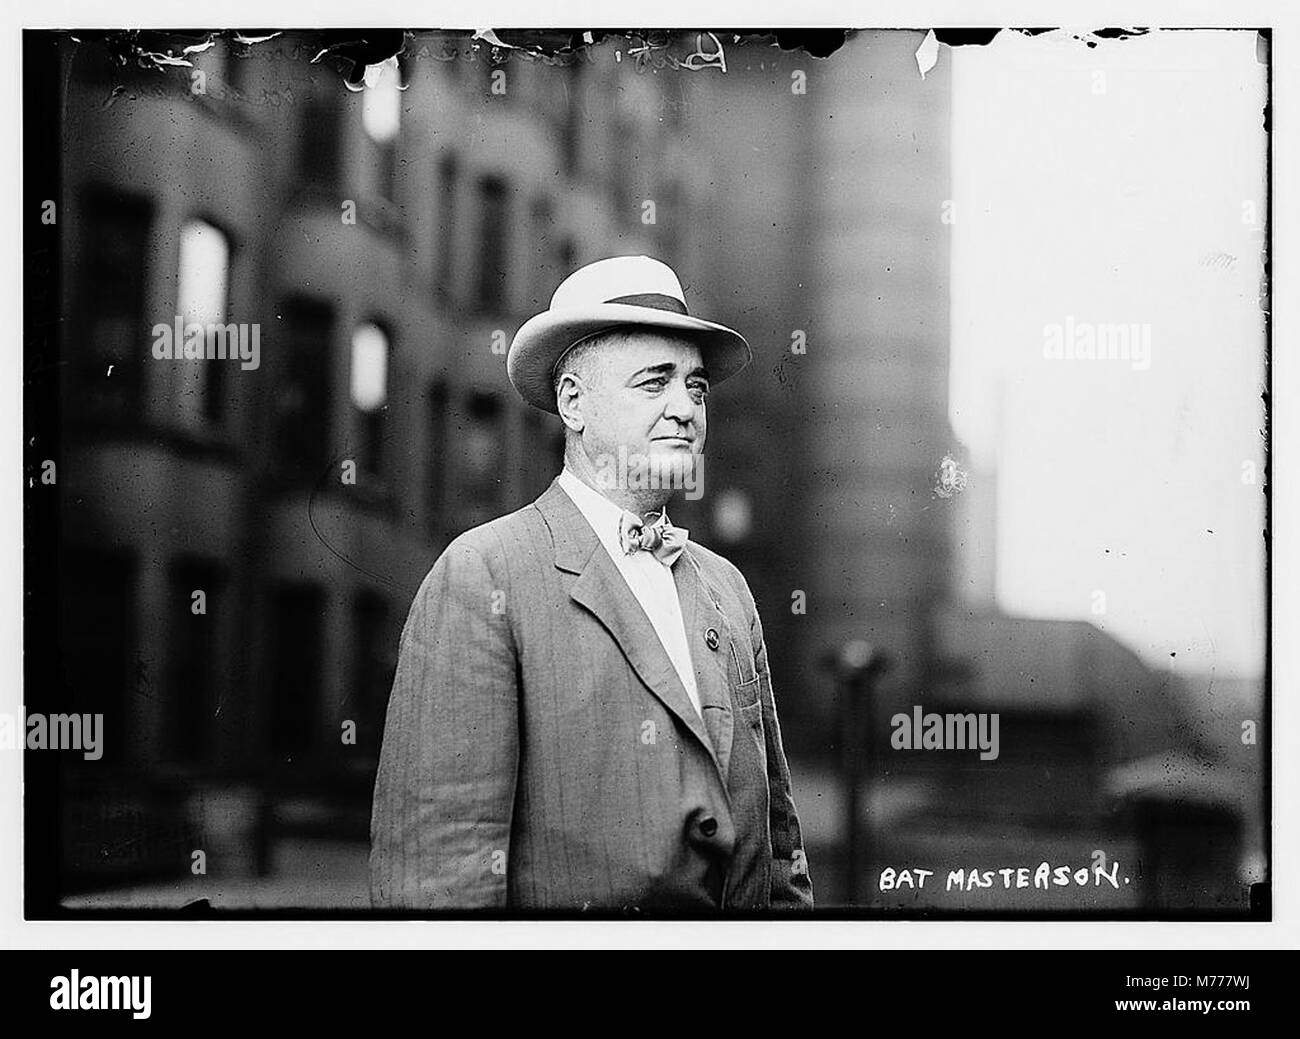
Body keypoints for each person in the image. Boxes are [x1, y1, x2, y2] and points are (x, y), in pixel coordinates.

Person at [369, 255, 813, 910]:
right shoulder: (485, 574)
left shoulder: (726, 588)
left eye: (696, 387)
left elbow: (779, 853)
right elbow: (440, 880)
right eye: (653, 382)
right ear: (573, 402)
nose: (685, 409)